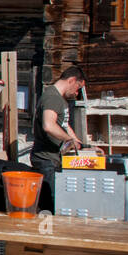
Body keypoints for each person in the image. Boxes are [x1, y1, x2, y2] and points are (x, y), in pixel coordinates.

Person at [31, 66, 87, 206]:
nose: (76, 93)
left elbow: (63, 125)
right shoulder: (52, 97)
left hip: (53, 159)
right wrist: (69, 140)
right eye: (78, 87)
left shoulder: (58, 99)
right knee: (50, 205)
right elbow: (48, 125)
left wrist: (79, 144)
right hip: (46, 160)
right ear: (71, 80)